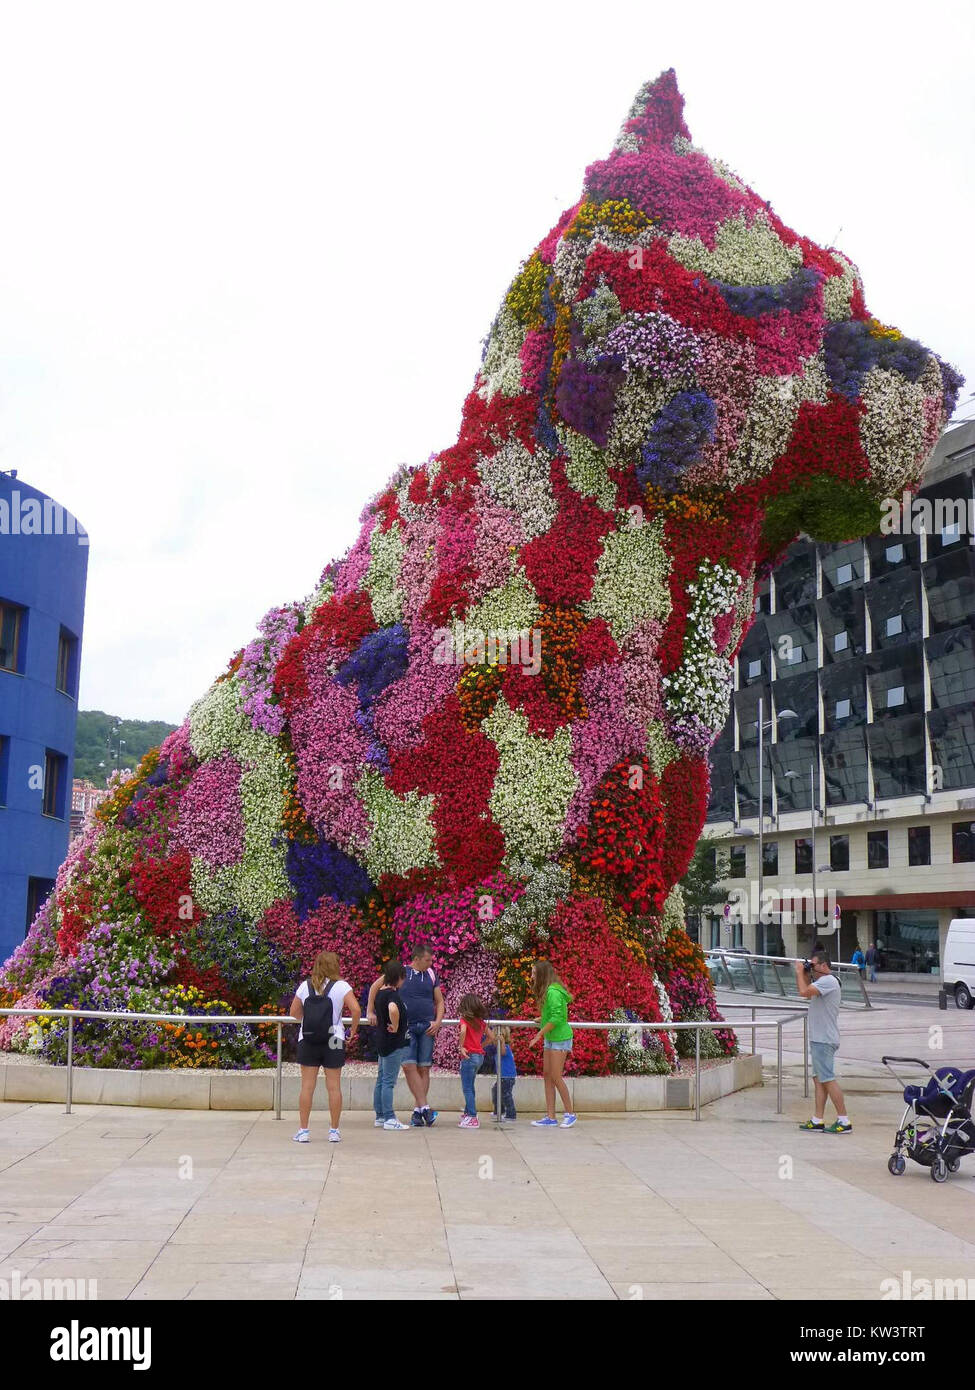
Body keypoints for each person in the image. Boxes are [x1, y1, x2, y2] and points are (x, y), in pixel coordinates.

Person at [367, 943, 444, 1127]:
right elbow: (374, 987)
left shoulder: (431, 974)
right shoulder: (401, 973)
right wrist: (370, 1011)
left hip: (426, 1026)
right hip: (406, 1027)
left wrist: (438, 1021)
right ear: (416, 959)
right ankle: (425, 1107)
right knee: (409, 1066)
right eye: (427, 960)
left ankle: (419, 1110)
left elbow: (439, 1001)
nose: (430, 963)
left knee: (424, 1067)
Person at [290, 951, 360, 1144]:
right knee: (334, 1087)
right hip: (334, 1039)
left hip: (308, 1038)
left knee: (307, 1086)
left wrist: (310, 1018)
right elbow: (355, 1009)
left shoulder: (305, 986)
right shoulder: (342, 986)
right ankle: (334, 1131)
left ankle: (303, 1131)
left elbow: (294, 1013)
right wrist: (351, 1031)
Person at [795, 947, 851, 1134]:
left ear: (824, 965)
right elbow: (806, 990)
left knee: (827, 1079)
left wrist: (798, 972)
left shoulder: (828, 981)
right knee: (819, 1079)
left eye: (814, 964)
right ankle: (817, 1119)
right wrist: (805, 972)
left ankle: (844, 1120)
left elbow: (803, 992)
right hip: (820, 1038)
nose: (811, 967)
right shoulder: (825, 982)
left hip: (824, 1039)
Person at [529, 959, 576, 1128]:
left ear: (542, 975)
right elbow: (555, 1013)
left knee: (556, 1076)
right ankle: (551, 1117)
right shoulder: (549, 991)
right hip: (551, 1038)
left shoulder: (553, 992)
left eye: (534, 973)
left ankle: (570, 1114)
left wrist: (538, 1034)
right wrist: (542, 1019)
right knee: (548, 1076)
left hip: (560, 1039)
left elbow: (558, 1017)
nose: (532, 976)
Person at [373, 960, 410, 1131]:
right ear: (399, 978)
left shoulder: (380, 993)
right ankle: (389, 1117)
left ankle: (380, 1115)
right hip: (393, 1043)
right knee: (388, 1081)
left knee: (381, 1080)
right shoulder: (392, 995)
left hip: (382, 1041)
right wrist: (395, 1026)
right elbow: (393, 1009)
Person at [457, 994, 494, 1129]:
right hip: (479, 1056)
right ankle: (468, 1113)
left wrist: (461, 1047)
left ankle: (472, 1116)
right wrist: (480, 1046)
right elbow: (492, 1037)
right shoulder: (481, 1022)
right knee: (470, 1086)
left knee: (467, 1088)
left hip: (468, 1056)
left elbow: (463, 1031)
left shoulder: (464, 1021)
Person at [485, 1024, 517, 1121]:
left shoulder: (505, 1047)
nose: (493, 1042)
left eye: (495, 1039)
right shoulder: (501, 1047)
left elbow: (502, 1053)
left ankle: (511, 1114)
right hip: (502, 1077)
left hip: (507, 1077)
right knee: (496, 1092)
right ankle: (499, 1110)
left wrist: (502, 1042)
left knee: (505, 1094)